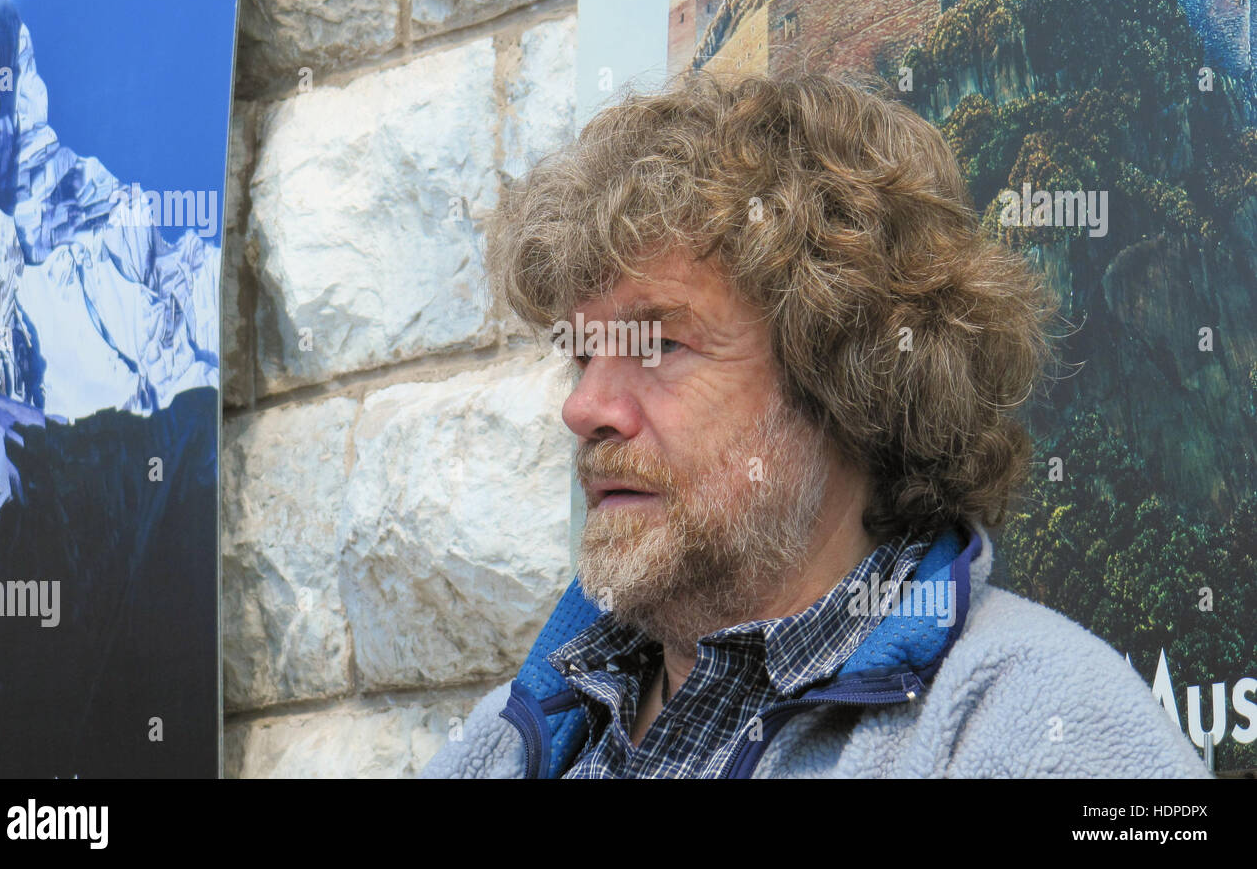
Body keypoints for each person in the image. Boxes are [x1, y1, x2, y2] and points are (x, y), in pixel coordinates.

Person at [421, 69, 1208, 778]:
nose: (585, 408)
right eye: (583, 357)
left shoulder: (1036, 726)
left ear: (849, 375)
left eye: (657, 343)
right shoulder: (508, 740)